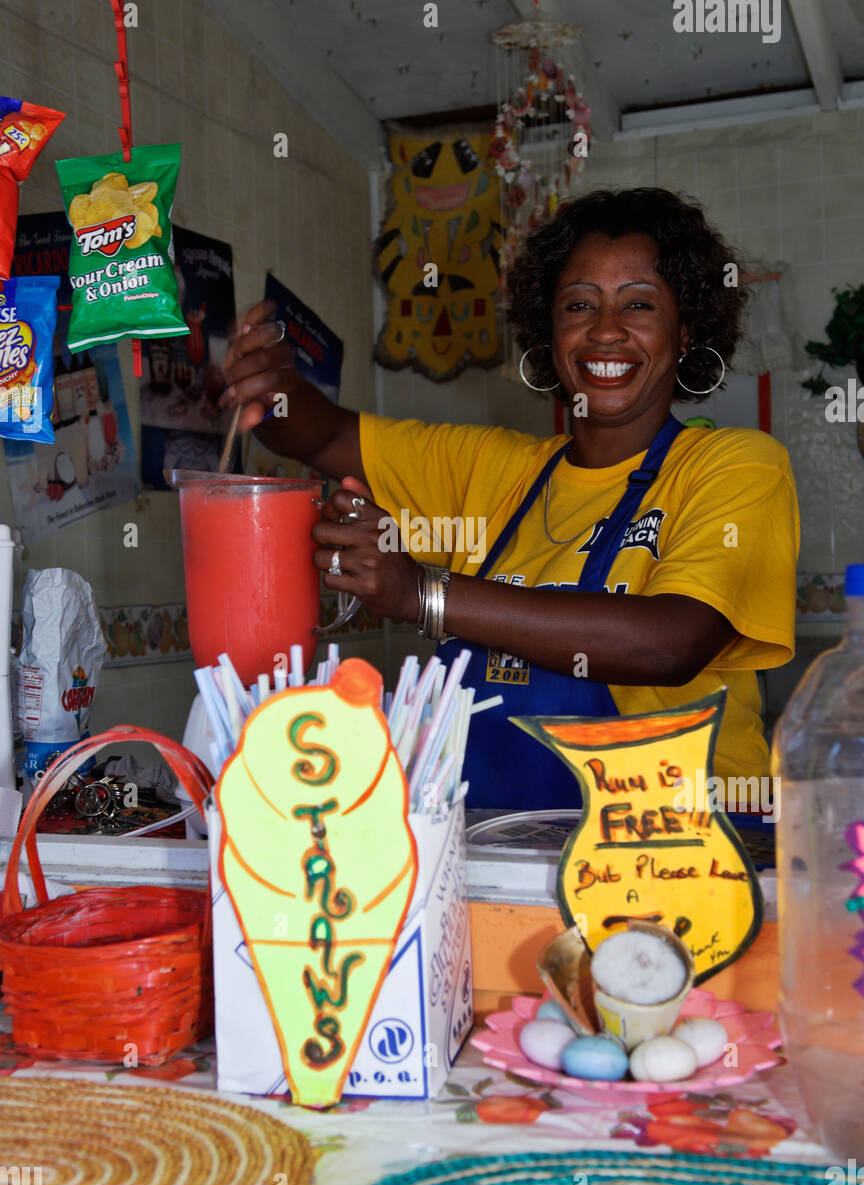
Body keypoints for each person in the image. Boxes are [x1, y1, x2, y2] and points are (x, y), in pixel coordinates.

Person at [222, 188, 799, 810]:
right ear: (549, 334)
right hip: (494, 856)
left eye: (638, 304)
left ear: (684, 333)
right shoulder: (490, 470)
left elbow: (669, 645)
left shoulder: (736, 466)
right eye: (579, 305)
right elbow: (326, 432)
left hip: (680, 860)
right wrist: (274, 387)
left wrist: (424, 593)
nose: (606, 330)